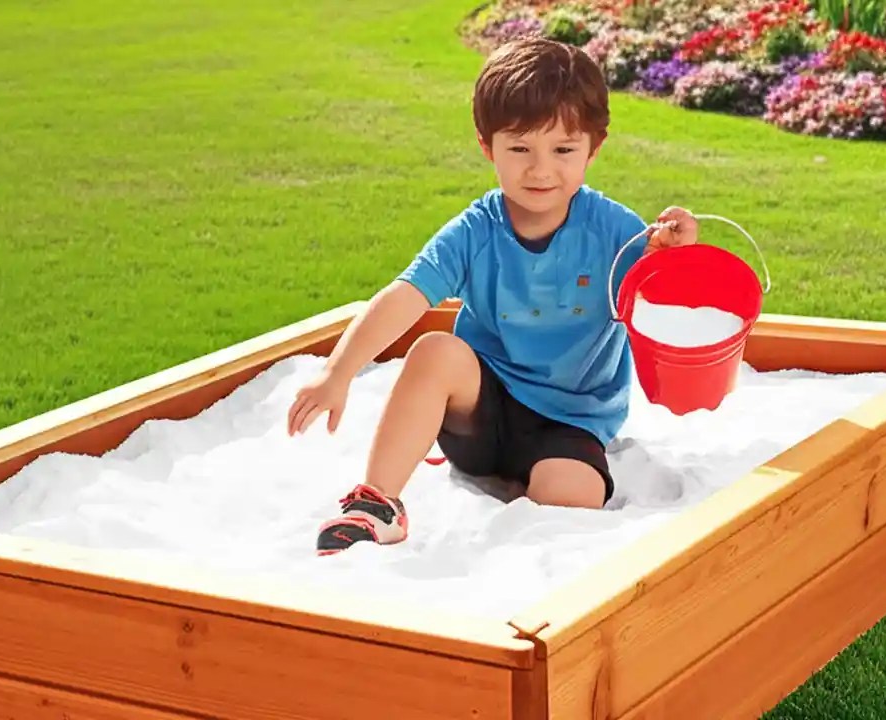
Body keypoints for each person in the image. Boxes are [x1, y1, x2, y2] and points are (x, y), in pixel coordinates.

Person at [286, 36, 699, 556]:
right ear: (488, 147)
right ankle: (378, 503)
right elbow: (405, 294)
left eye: (563, 150)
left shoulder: (616, 232)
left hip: (571, 422)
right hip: (480, 417)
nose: (541, 170)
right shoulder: (476, 231)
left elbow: (670, 312)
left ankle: (532, 496)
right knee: (435, 350)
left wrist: (673, 255)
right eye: (520, 149)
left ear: (593, 149)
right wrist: (338, 372)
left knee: (570, 497)